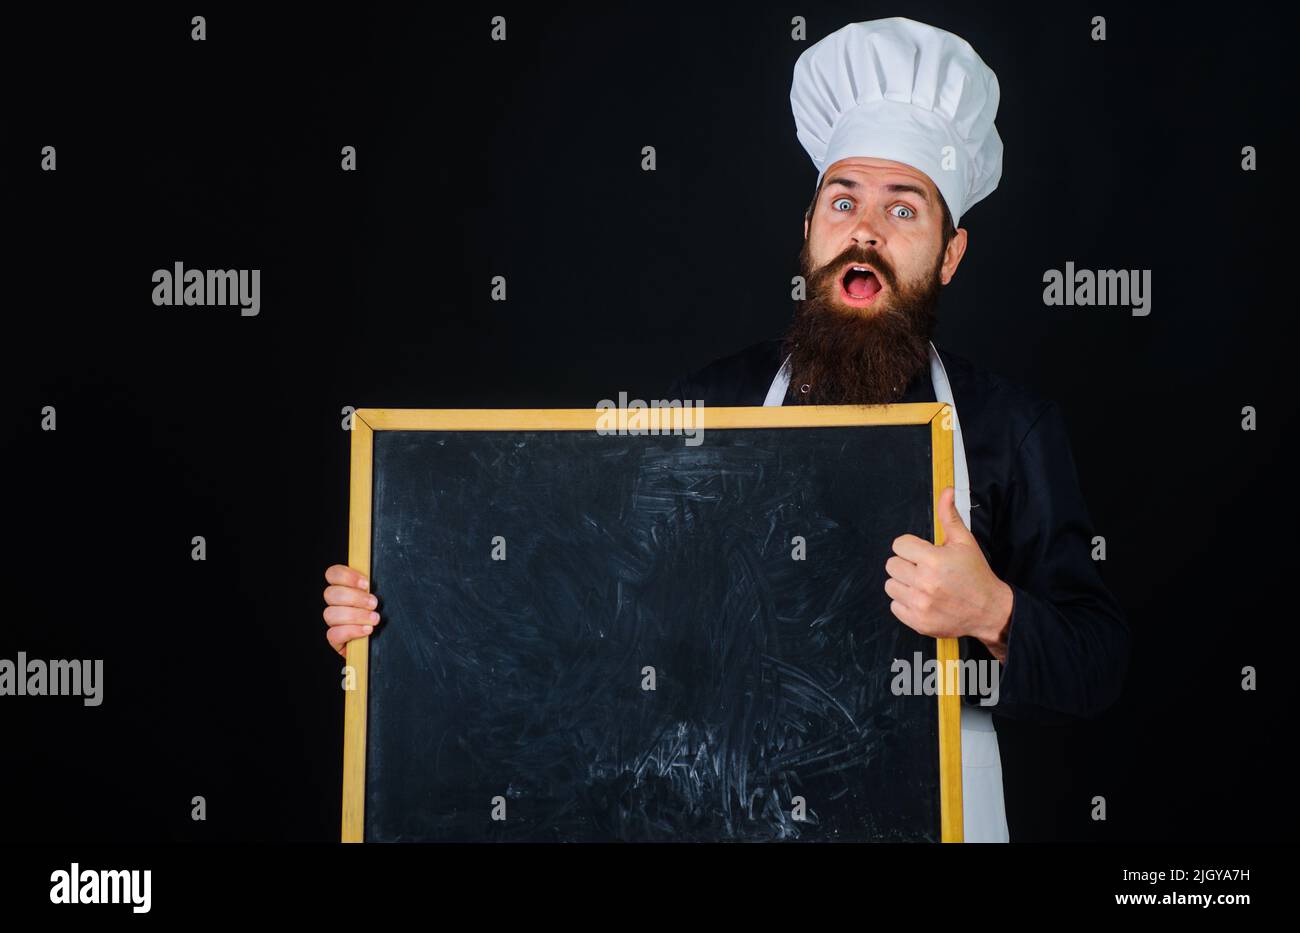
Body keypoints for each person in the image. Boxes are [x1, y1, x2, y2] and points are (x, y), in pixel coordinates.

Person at [323, 17, 1128, 842]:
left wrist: (992, 609)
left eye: (903, 210)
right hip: (720, 813)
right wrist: (403, 614)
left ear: (950, 253)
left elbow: (1097, 664)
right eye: (843, 200)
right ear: (808, 230)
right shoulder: (710, 405)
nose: (866, 232)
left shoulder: (1009, 427)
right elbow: (594, 621)